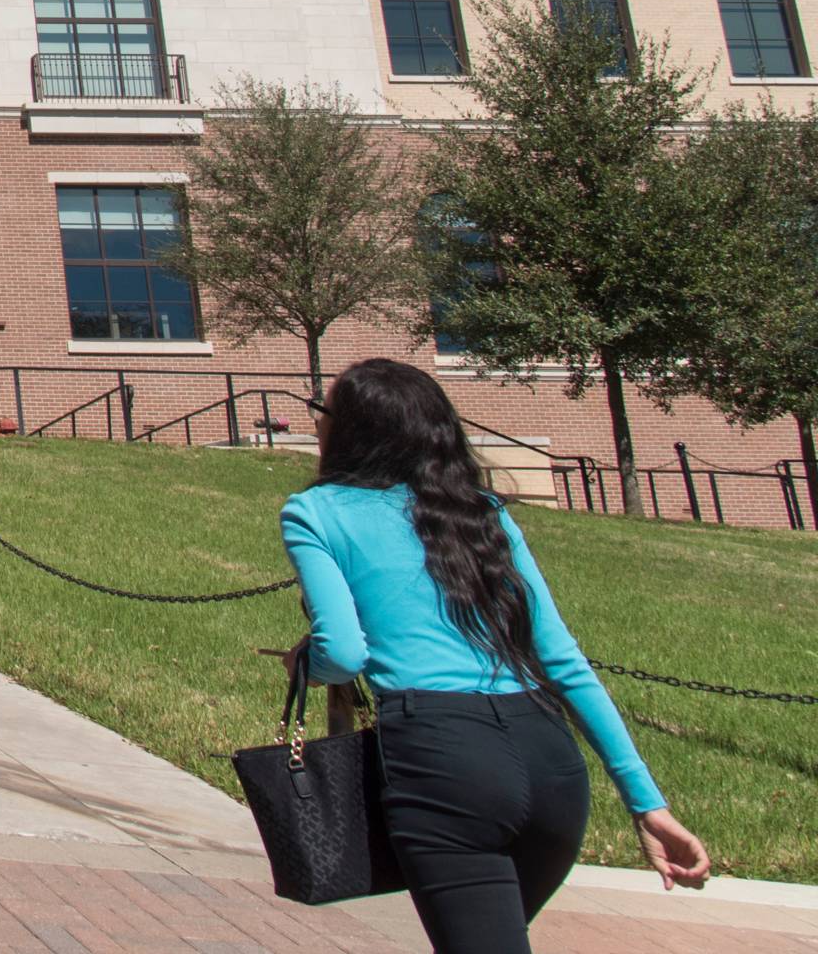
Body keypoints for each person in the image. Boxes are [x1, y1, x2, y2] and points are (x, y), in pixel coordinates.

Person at [282, 359, 707, 952]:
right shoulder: (483, 513)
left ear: (350, 431)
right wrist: (647, 803)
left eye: (322, 413)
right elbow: (563, 662)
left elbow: (344, 652)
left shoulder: (315, 512)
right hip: (551, 763)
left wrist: (306, 661)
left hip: (443, 761)